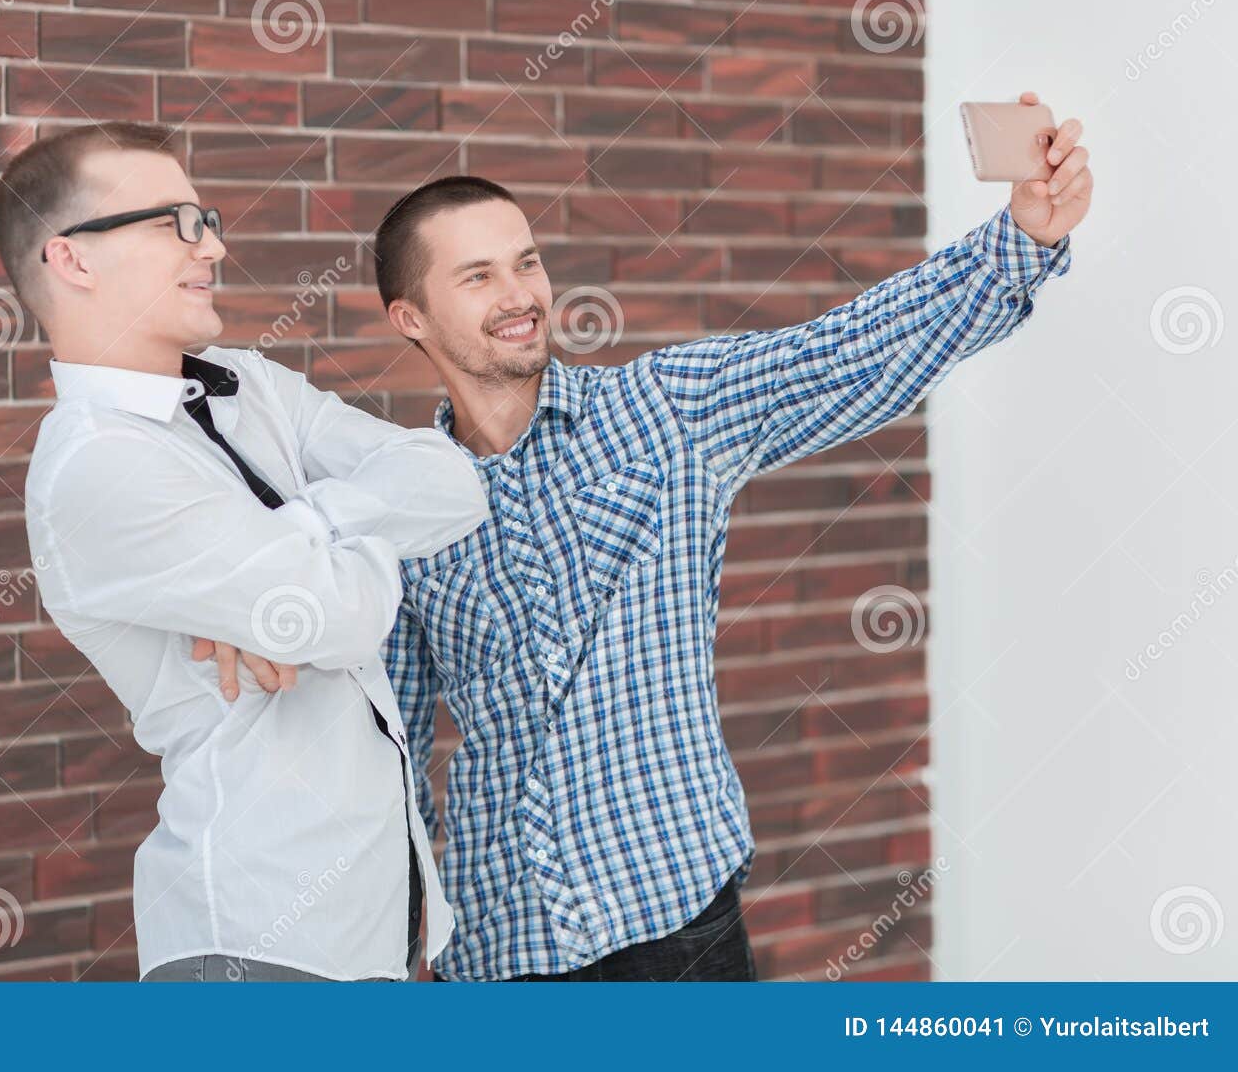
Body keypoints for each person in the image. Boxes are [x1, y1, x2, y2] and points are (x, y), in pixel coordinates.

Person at [371, 92, 1092, 981]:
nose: (520, 295)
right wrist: (394, 950)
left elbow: (847, 353)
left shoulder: (665, 409)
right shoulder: (404, 508)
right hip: (499, 950)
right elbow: (388, 752)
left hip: (677, 932)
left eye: (526, 262)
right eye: (477, 276)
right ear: (411, 317)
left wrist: (1020, 241)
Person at [0, 122, 487, 981]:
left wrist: (303, 526)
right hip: (257, 943)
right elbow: (336, 621)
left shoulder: (247, 381)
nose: (212, 245)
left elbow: (452, 482)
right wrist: (338, 564)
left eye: (206, 218)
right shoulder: (95, 463)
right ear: (72, 260)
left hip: (382, 924)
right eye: (173, 223)